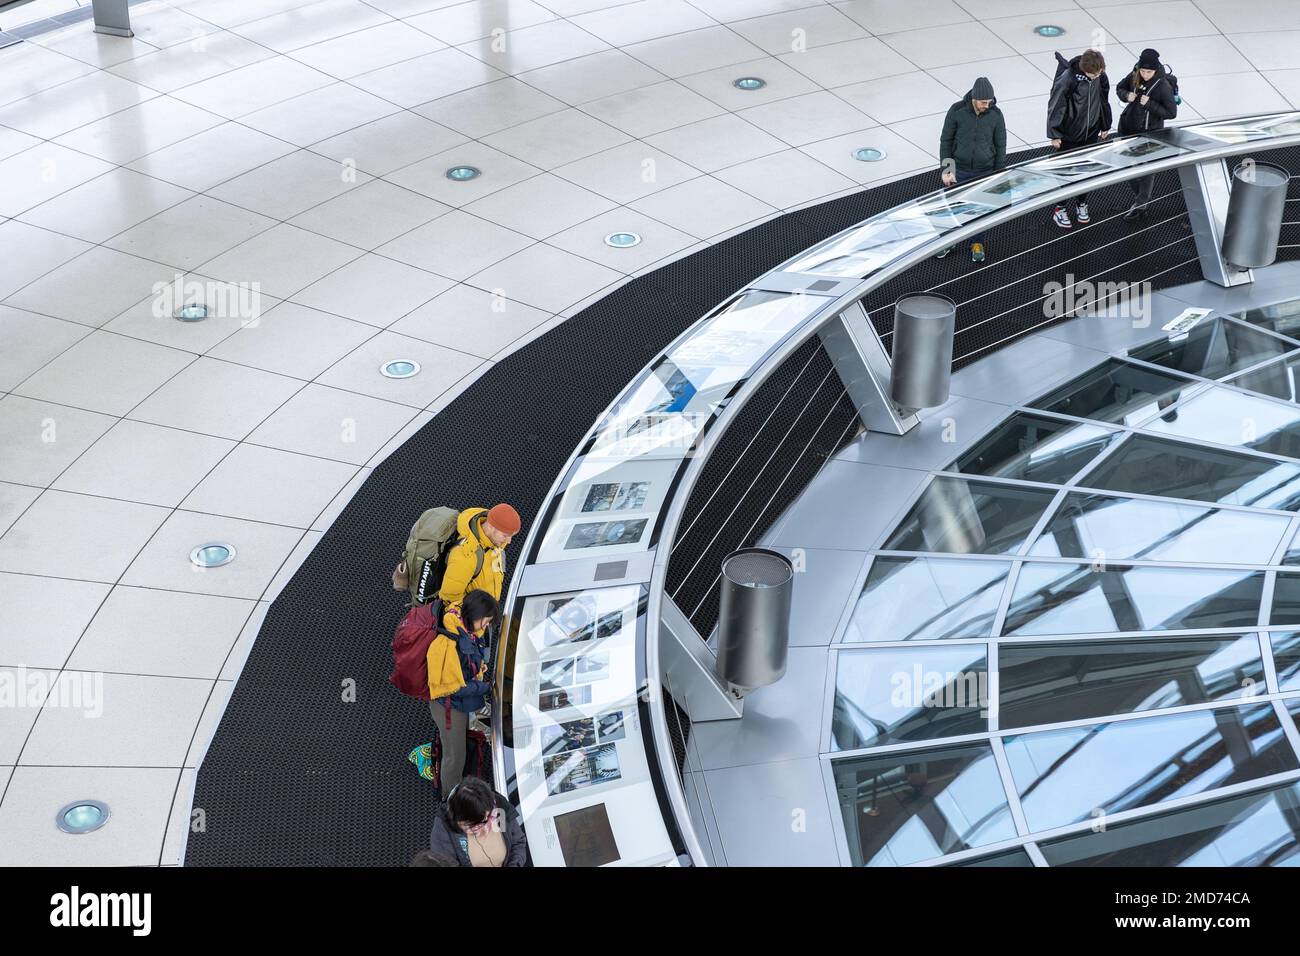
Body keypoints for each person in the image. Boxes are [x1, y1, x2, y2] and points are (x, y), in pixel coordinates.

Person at [426, 588, 497, 794]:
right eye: (485, 620)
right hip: (449, 707)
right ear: (474, 615)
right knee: (454, 757)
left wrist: (478, 669)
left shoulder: (464, 631)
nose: (487, 625)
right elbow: (455, 687)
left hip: (455, 705)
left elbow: (464, 669)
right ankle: (451, 801)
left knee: (458, 750)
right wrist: (487, 686)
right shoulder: (449, 642)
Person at [936, 76, 1006, 263]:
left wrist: (999, 175)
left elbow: (1001, 145)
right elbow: (946, 141)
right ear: (974, 98)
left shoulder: (996, 115)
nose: (987, 105)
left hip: (985, 170)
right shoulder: (957, 111)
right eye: (984, 102)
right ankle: (950, 241)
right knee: (954, 208)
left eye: (989, 102)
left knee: (979, 210)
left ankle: (977, 242)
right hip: (960, 169)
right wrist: (947, 169)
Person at [1047, 48, 1113, 229]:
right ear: (1085, 70)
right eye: (1094, 74)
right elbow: (1056, 104)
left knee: (1086, 170)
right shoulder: (1068, 79)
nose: (1097, 76)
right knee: (1066, 172)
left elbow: (1103, 100)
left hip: (1090, 132)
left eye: (1099, 73)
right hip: (1069, 134)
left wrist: (1105, 124)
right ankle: (1060, 208)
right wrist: (1054, 133)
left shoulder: (1101, 76)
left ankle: (1081, 203)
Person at [1116, 48, 1177, 222]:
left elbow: (1171, 112)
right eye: (1143, 71)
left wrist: (1150, 104)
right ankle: (1140, 201)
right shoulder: (1135, 73)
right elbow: (1120, 87)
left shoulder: (1163, 86)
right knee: (1127, 165)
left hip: (1150, 132)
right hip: (1128, 128)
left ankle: (1141, 205)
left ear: (1156, 70)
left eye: (1148, 72)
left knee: (1147, 170)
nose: (1145, 74)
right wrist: (1126, 95)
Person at [429, 776, 528, 867]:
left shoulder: (499, 808)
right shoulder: (444, 827)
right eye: (473, 827)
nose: (484, 830)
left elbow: (518, 842)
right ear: (456, 819)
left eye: (487, 819)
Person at [437, 503, 520, 606]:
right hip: (471, 617)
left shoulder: (497, 546)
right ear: (490, 526)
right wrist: (474, 616)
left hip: (487, 613)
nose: (509, 541)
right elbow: (449, 597)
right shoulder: (466, 555)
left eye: (511, 536)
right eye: (505, 535)